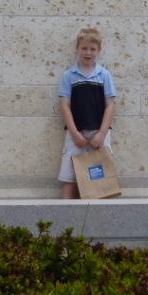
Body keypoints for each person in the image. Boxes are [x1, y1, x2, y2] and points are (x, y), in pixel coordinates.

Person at [57, 27, 116, 199]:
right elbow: (64, 105)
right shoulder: (69, 76)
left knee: (101, 174)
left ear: (98, 51)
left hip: (99, 132)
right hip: (75, 132)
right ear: (77, 49)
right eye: (84, 48)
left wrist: (102, 133)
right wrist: (74, 133)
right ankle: (66, 211)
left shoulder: (104, 75)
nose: (88, 52)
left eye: (92, 49)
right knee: (69, 174)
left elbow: (110, 105)